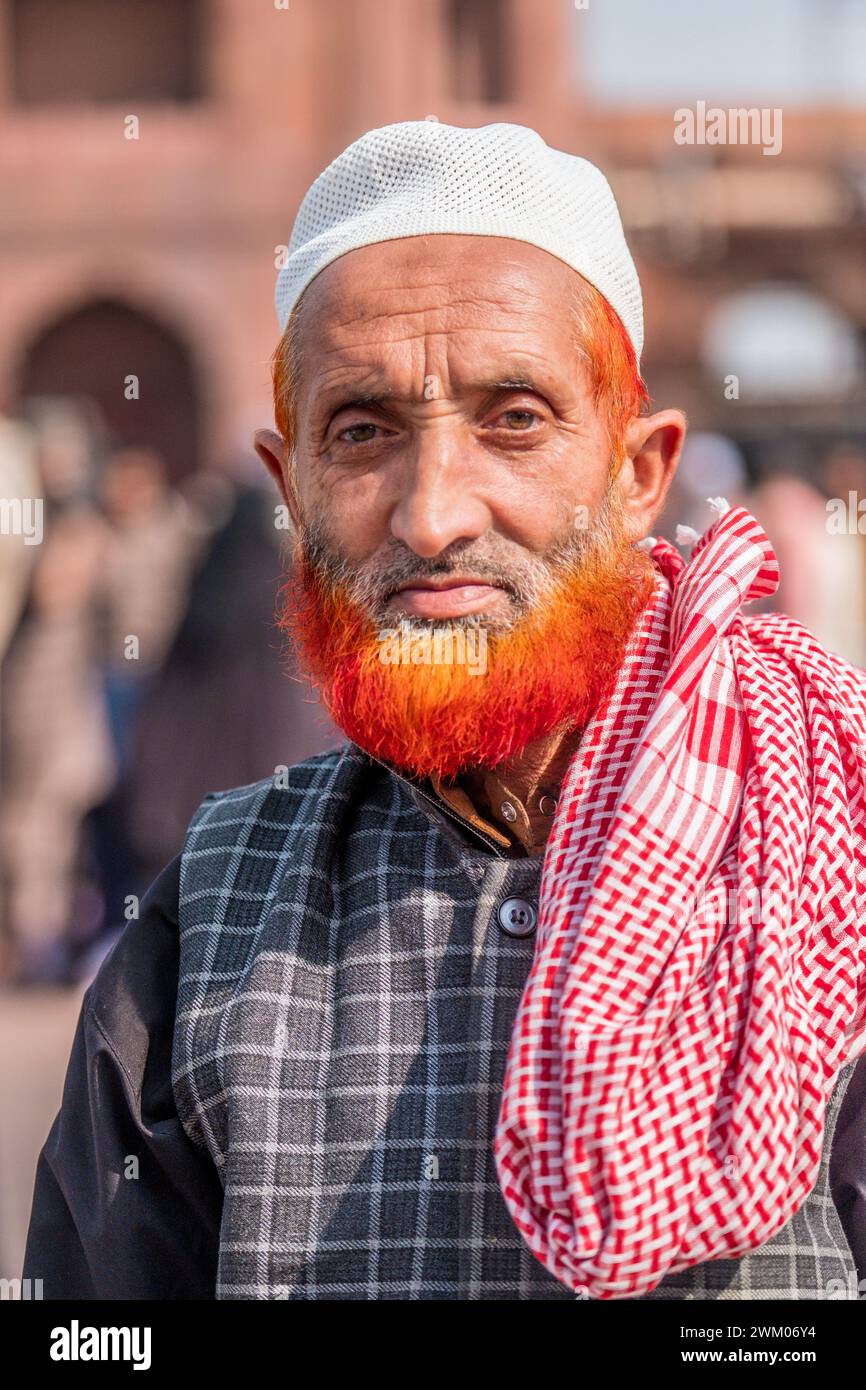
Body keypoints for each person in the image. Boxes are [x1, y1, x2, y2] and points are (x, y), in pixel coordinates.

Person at [24, 120, 866, 1300]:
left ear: (637, 476)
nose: (429, 516)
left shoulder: (827, 842)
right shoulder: (207, 914)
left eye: (512, 419)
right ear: (290, 483)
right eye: (362, 431)